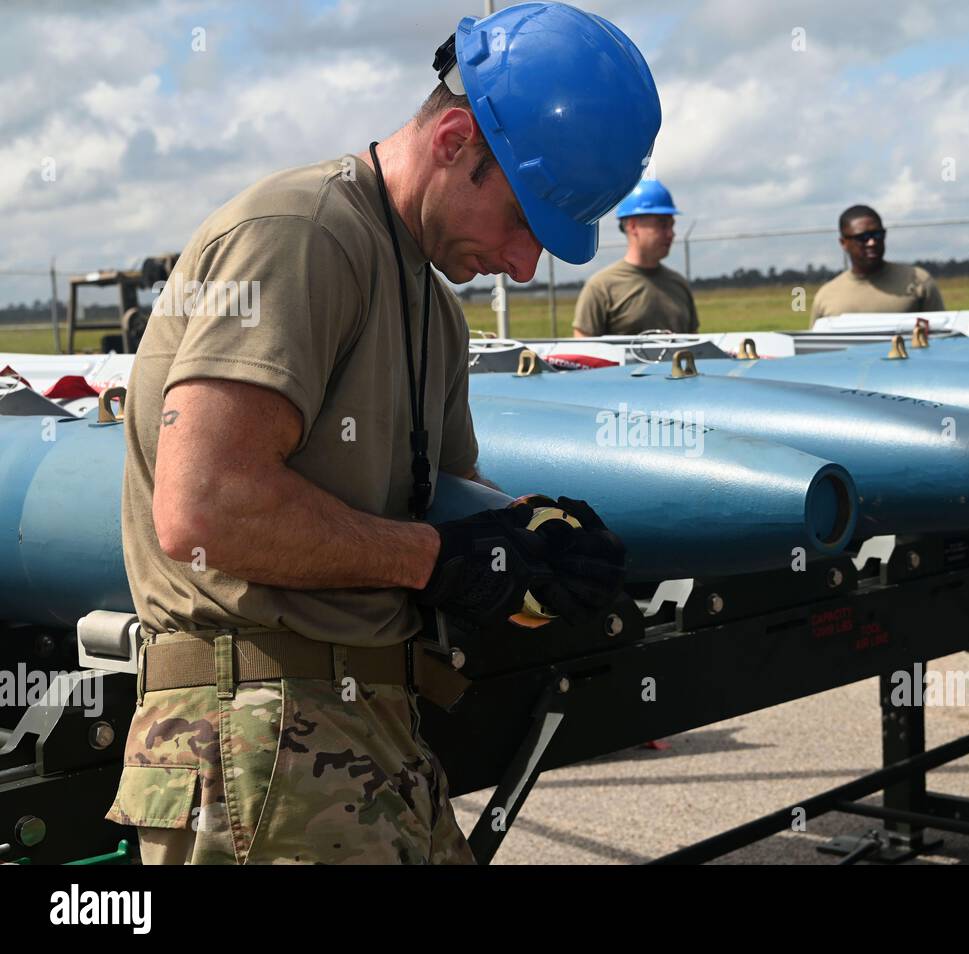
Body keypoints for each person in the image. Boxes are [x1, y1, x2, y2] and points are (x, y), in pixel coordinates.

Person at [106, 1, 658, 865]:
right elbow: (207, 509)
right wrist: (437, 562)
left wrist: (522, 541)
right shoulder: (299, 237)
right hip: (256, 745)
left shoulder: (432, 307)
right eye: (522, 220)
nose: (523, 265)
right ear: (453, 141)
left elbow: (428, 509)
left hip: (365, 731)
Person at [573, 179, 698, 336]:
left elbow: (694, 348)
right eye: (662, 224)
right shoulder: (601, 288)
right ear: (633, 226)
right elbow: (583, 352)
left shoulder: (679, 285)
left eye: (672, 225)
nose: (671, 234)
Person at [809, 204, 944, 324]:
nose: (872, 243)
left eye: (877, 235)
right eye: (862, 238)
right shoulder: (826, 296)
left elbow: (942, 337)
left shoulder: (918, 280)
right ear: (843, 243)